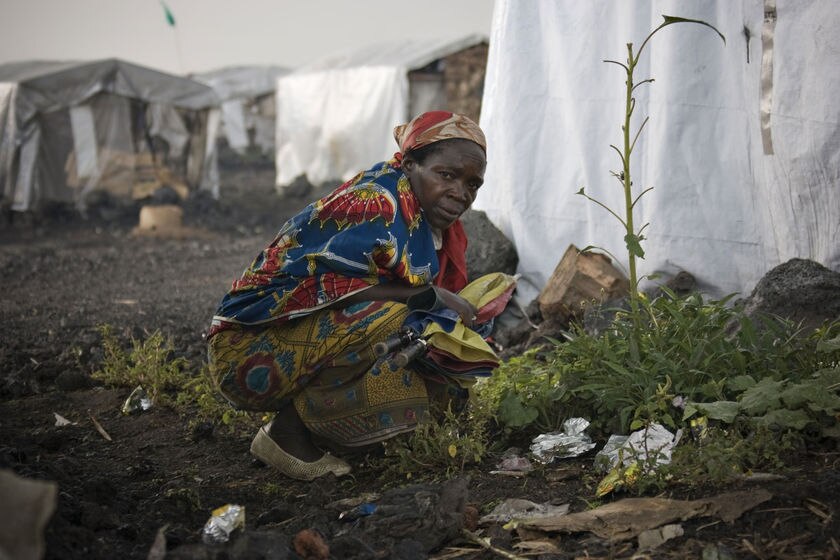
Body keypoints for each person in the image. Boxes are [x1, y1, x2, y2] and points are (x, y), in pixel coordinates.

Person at [207, 111, 489, 481]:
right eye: (447, 175)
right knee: (399, 315)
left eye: (472, 184)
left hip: (297, 343)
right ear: (409, 164)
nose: (461, 193)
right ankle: (287, 433)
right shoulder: (374, 204)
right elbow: (328, 289)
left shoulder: (420, 219)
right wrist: (430, 295)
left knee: (433, 373)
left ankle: (325, 426)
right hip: (244, 352)